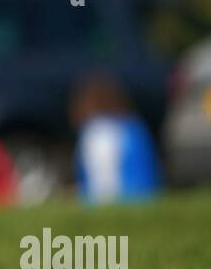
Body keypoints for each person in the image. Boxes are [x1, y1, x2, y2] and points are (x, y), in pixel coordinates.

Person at [69, 73, 161, 203]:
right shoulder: (134, 127)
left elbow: (99, 183)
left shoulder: (94, 133)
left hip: (118, 199)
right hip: (143, 196)